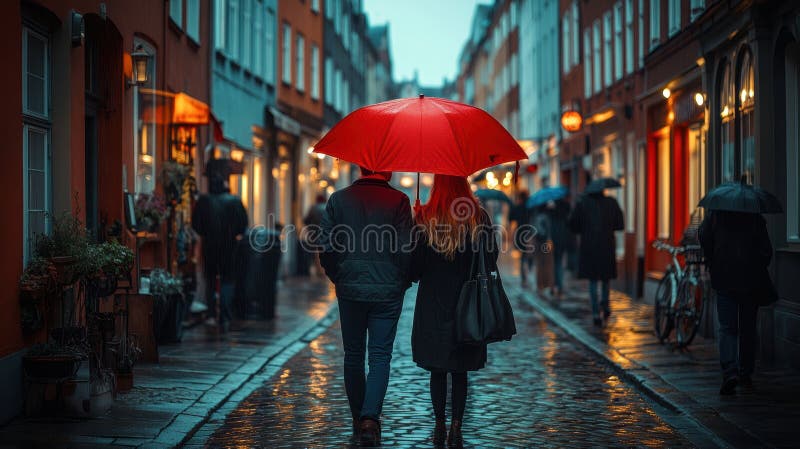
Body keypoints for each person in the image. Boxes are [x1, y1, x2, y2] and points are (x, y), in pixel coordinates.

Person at [319, 167, 413, 446]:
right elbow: (406, 249)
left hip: (350, 289)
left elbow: (325, 246)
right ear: (388, 171)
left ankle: (358, 416)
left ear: (362, 168)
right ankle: (370, 419)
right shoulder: (399, 201)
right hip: (387, 290)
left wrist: (339, 275)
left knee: (353, 355)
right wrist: (403, 279)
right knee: (380, 356)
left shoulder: (338, 199)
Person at [409, 175, 498, 448]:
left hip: (434, 300)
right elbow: (491, 257)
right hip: (467, 300)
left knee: (438, 369)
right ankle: (456, 426)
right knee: (460, 369)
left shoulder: (425, 216)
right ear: (464, 185)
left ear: (437, 186)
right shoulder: (478, 216)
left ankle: (439, 423)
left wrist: (416, 224)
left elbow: (414, 268)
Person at [699, 210, 777, 395]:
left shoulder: (715, 214)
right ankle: (745, 372)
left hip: (724, 277)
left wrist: (713, 259)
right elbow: (767, 250)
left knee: (727, 328)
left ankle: (729, 372)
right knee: (748, 328)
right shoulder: (754, 217)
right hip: (750, 280)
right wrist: (756, 265)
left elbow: (703, 236)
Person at [192, 172, 248, 332]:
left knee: (210, 279)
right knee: (227, 279)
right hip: (230, 246)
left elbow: (196, 224)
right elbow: (243, 223)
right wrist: (234, 234)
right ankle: (224, 314)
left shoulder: (204, 201)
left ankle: (211, 314)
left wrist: (206, 233)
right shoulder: (234, 201)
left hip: (209, 245)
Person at [568, 190, 623, 327]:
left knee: (593, 280)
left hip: (589, 246)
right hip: (607, 245)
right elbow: (620, 224)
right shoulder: (611, 202)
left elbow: (573, 225)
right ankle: (605, 305)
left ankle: (595, 312)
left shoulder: (583, 203)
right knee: (605, 278)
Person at [545, 199, 571, 297]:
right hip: (562, 241)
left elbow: (548, 228)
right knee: (559, 263)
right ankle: (559, 286)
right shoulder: (565, 214)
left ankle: (555, 285)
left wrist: (549, 209)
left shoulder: (552, 213)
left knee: (554, 264)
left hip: (553, 241)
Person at [509, 190, 534, 286]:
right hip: (529, 232)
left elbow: (511, 219)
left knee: (523, 256)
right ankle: (529, 269)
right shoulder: (530, 207)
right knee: (529, 254)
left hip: (520, 233)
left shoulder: (517, 207)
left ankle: (524, 277)